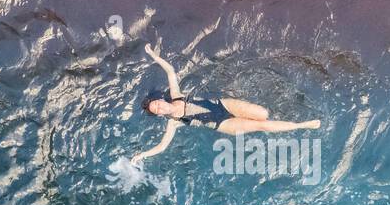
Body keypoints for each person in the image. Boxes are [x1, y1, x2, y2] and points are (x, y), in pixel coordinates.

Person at [132, 43, 320, 163]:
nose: (158, 107)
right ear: (159, 114)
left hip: (225, 105)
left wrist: (153, 55)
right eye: (155, 110)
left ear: (159, 100)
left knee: (263, 113)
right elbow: (162, 146)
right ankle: (302, 125)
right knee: (262, 125)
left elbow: (171, 72)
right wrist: (142, 155)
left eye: (155, 104)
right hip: (223, 124)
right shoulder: (173, 122)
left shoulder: (176, 95)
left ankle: (284, 118)